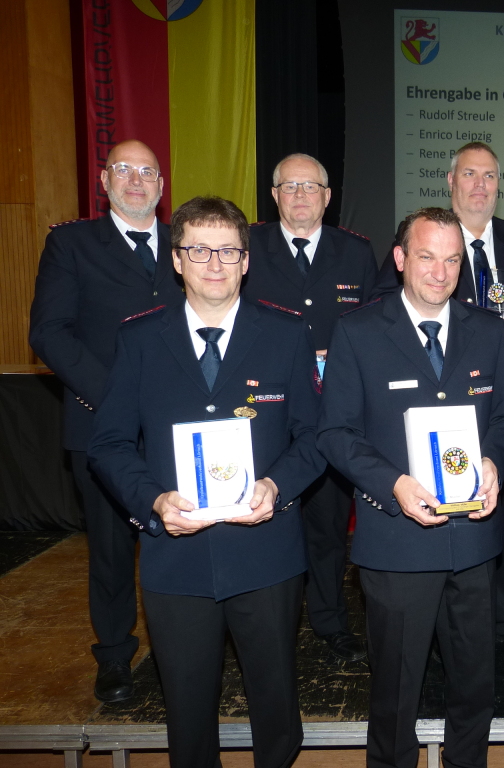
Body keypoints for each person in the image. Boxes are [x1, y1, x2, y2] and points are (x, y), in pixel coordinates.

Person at [88, 196, 325, 768]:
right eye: (198, 249)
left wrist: (275, 486)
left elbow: (316, 437)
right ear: (176, 260)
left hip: (266, 553)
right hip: (177, 556)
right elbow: (109, 444)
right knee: (188, 717)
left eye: (227, 250)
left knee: (276, 705)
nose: (213, 263)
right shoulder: (140, 339)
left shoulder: (287, 334)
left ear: (247, 260)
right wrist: (153, 500)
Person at [317, 207, 504, 768]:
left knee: (475, 688)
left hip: (475, 542)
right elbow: (334, 432)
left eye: (453, 259)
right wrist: (395, 484)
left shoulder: (487, 332)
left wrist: (493, 461)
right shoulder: (358, 332)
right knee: (395, 695)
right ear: (402, 259)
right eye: (427, 256)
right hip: (397, 541)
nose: (441, 271)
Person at [373, 142, 504, 662]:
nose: (480, 185)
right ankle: (440, 631)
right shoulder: (423, 237)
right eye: (470, 174)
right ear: (450, 180)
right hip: (435, 412)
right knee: (439, 519)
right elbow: (382, 304)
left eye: (490, 175)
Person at [29, 139, 185, 703]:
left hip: (179, 428)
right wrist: (118, 397)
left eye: (148, 171)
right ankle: (116, 657)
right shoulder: (70, 243)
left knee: (184, 538)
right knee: (114, 551)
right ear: (104, 181)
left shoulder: (186, 243)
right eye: (125, 170)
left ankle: (184, 652)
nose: (137, 180)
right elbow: (48, 332)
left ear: (162, 187)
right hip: (102, 425)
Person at [244, 152, 378, 663]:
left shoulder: (357, 252)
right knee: (268, 520)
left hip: (331, 415)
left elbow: (372, 328)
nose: (301, 195)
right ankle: (268, 628)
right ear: (274, 195)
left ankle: (329, 622)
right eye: (289, 186)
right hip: (263, 412)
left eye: (312, 186)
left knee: (327, 524)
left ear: (327, 196)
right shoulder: (246, 246)